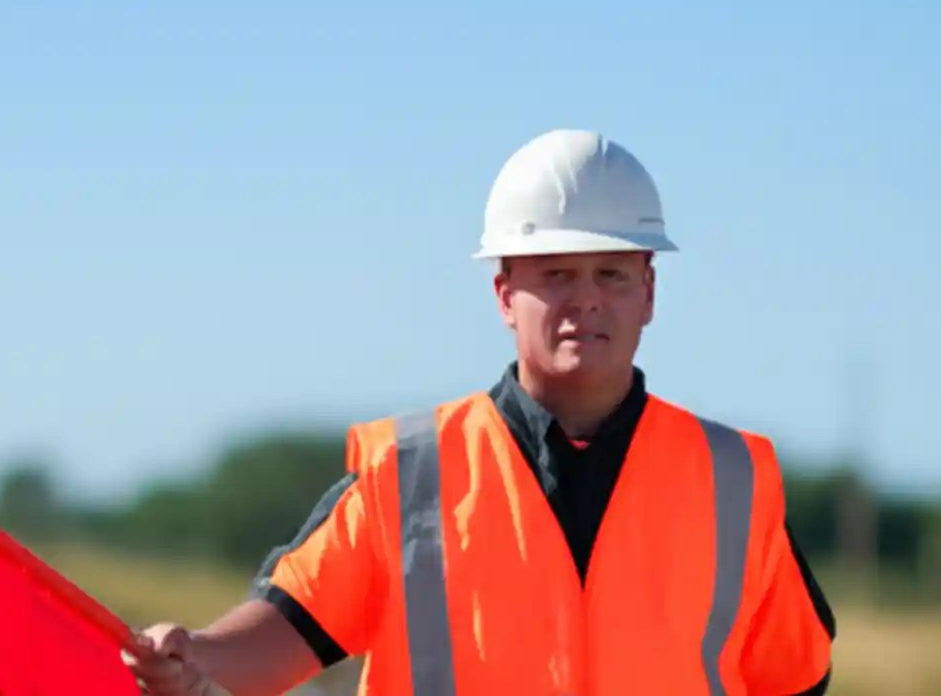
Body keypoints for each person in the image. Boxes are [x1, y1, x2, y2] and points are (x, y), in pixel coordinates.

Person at [121, 129, 836, 695]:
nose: (586, 299)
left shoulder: (733, 480)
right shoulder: (408, 475)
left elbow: (794, 678)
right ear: (503, 294)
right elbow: (278, 637)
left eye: (612, 275)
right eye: (556, 273)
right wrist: (190, 654)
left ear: (649, 293)